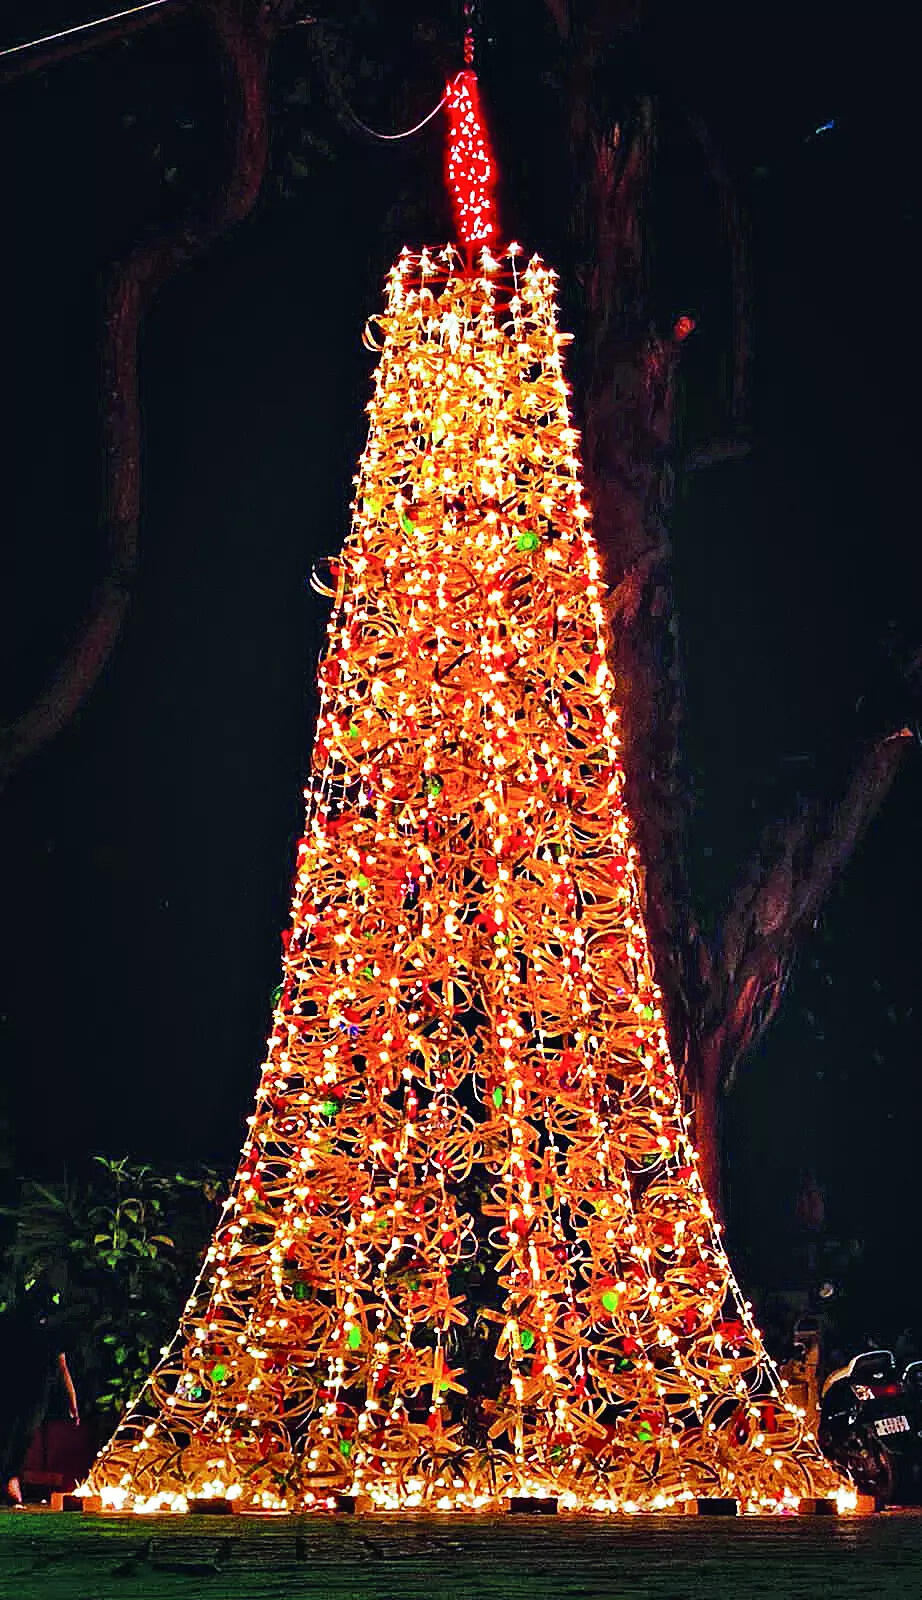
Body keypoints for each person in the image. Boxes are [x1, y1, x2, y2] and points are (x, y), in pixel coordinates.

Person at [0, 1285, 79, 1508]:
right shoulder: (14, 1326)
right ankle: (10, 1482)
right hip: (20, 1390)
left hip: (34, 1393)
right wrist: (72, 1401)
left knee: (18, 1438)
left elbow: (62, 1368)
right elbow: (63, 1369)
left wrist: (72, 1401)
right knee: (14, 1438)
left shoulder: (51, 1332)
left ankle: (11, 1481)